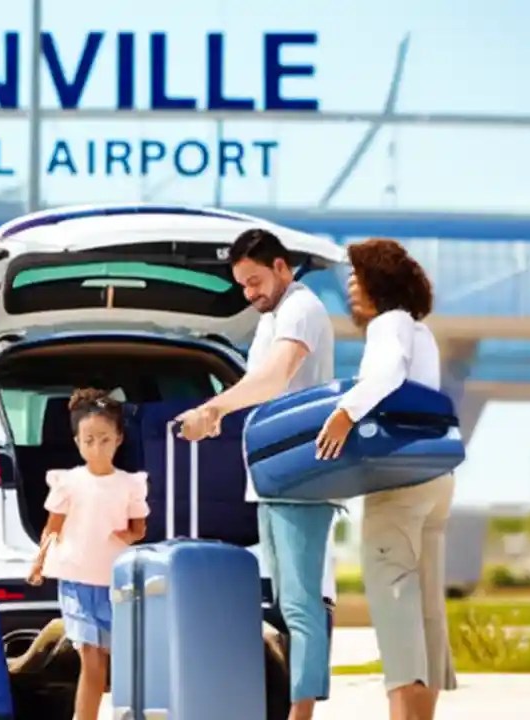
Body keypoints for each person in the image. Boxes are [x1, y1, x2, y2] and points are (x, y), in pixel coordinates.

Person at [174, 227, 337, 720]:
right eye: (242, 285)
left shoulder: (302, 310)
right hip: (272, 471)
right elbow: (254, 386)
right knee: (288, 604)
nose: (250, 293)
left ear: (282, 268)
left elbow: (274, 378)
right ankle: (294, 707)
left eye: (256, 281)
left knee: (304, 605)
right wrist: (218, 414)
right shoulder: (274, 317)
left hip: (300, 471)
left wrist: (210, 407)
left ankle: (301, 714)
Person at [313, 238, 456, 720]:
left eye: (358, 277)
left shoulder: (388, 325)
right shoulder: (421, 330)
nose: (351, 286)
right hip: (435, 477)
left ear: (381, 282)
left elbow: (387, 374)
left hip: (398, 482)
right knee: (426, 609)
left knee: (396, 606)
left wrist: (343, 414)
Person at [27, 388, 149, 720]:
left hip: (116, 584)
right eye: (89, 440)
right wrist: (39, 562)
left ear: (119, 439)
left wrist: (129, 534)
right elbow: (53, 528)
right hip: (77, 581)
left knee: (122, 660)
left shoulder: (130, 484)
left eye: (105, 439)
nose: (97, 447)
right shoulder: (67, 482)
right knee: (92, 659)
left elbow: (140, 528)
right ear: (78, 442)